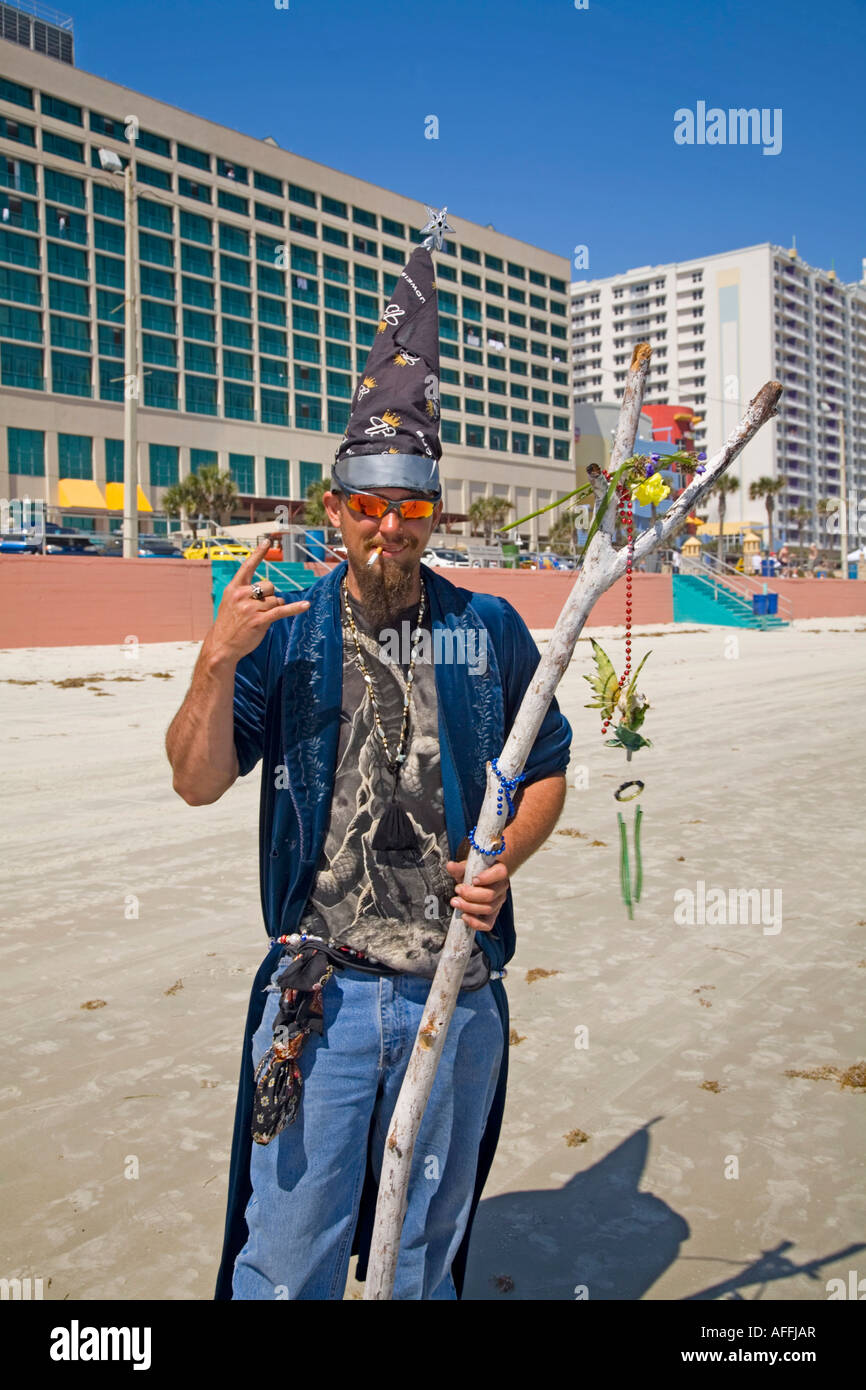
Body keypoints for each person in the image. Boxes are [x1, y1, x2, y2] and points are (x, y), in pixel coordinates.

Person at [165, 229, 572, 1301]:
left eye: (412, 505)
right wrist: (214, 664)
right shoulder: (285, 633)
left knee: (421, 1266)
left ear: (431, 512)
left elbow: (547, 766)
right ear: (334, 507)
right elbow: (196, 780)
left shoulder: (485, 631)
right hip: (323, 998)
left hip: (455, 992)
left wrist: (504, 860)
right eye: (369, 504)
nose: (389, 526)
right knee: (284, 1260)